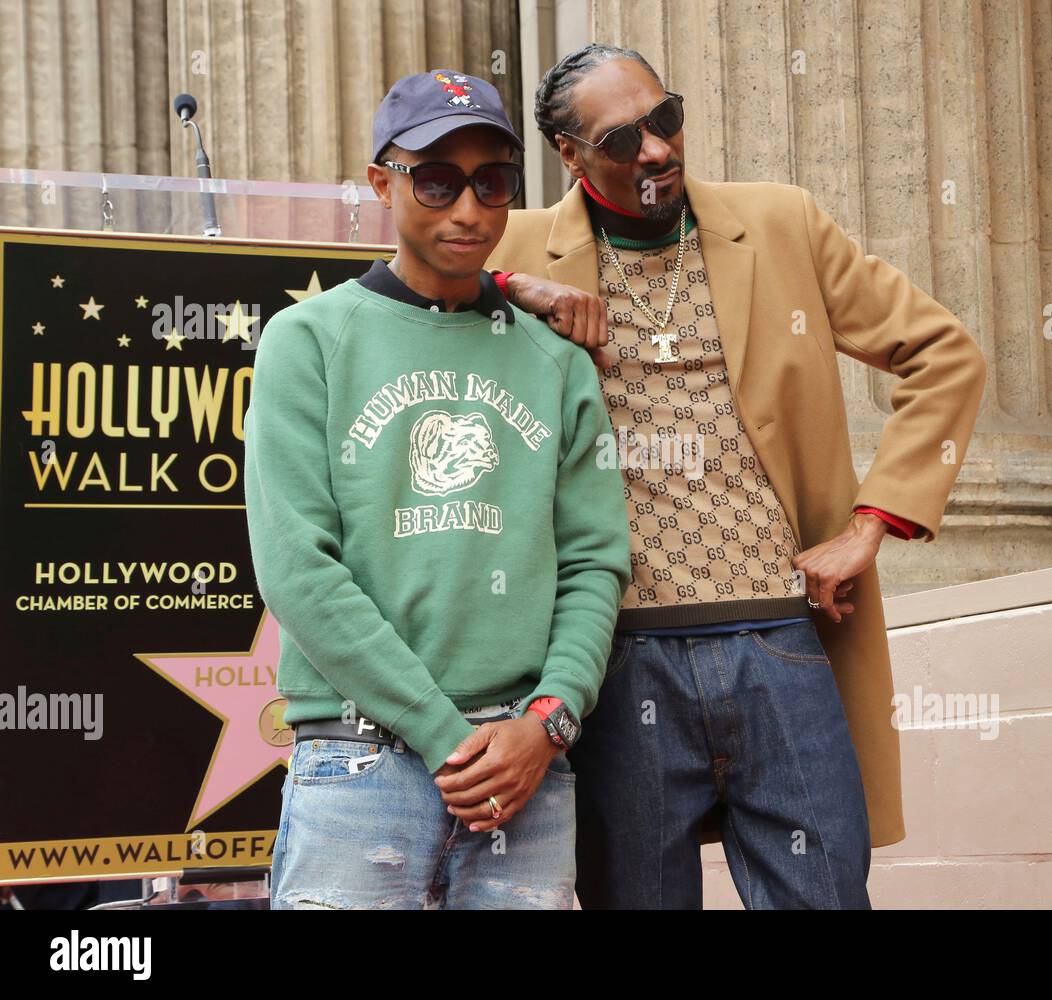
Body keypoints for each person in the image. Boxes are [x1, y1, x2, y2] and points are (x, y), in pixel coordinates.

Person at [485, 43, 987, 908]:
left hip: (782, 641)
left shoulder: (781, 222)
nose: (655, 151)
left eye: (666, 119)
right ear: (568, 154)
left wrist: (872, 524)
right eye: (621, 139)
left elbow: (944, 354)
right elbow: (403, 289)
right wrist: (507, 289)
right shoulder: (518, 244)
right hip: (618, 659)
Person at [243, 69, 631, 910]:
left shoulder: (557, 363)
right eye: (436, 179)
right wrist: (448, 737)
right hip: (360, 762)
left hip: (526, 772)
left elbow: (597, 564)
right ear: (383, 183)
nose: (467, 209)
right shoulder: (306, 342)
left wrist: (545, 726)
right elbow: (298, 570)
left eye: (492, 183)